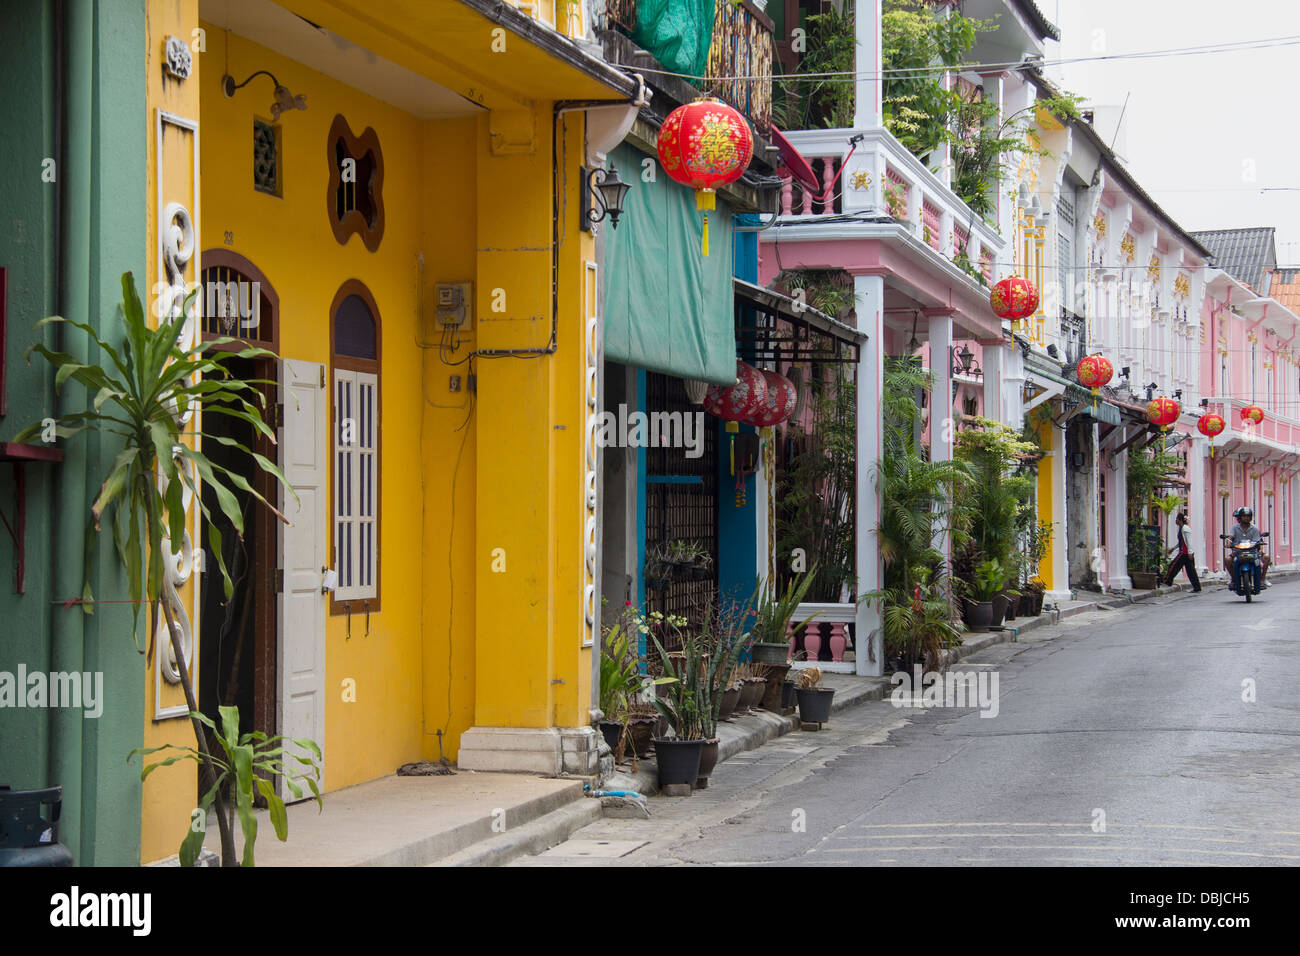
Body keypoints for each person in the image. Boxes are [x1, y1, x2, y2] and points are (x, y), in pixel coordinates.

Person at [1226, 506, 1264, 594]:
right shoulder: (1235, 527)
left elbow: (1258, 541)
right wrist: (1229, 543)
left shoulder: (1254, 528)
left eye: (1248, 516)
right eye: (1244, 516)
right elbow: (1230, 537)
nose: (1246, 518)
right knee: (1228, 560)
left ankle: (1260, 581)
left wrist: (1260, 549)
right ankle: (1234, 579)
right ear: (1240, 517)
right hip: (1238, 552)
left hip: (1252, 552)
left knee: (1259, 562)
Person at [1163, 511, 1200, 592]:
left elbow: (1189, 541)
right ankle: (1197, 587)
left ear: (1179, 520)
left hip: (1185, 553)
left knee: (1173, 566)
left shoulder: (1185, 529)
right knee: (1191, 571)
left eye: (1176, 519)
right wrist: (1174, 548)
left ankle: (1167, 581)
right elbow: (1181, 541)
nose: (1175, 521)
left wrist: (1190, 552)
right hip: (1185, 552)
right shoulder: (1181, 528)